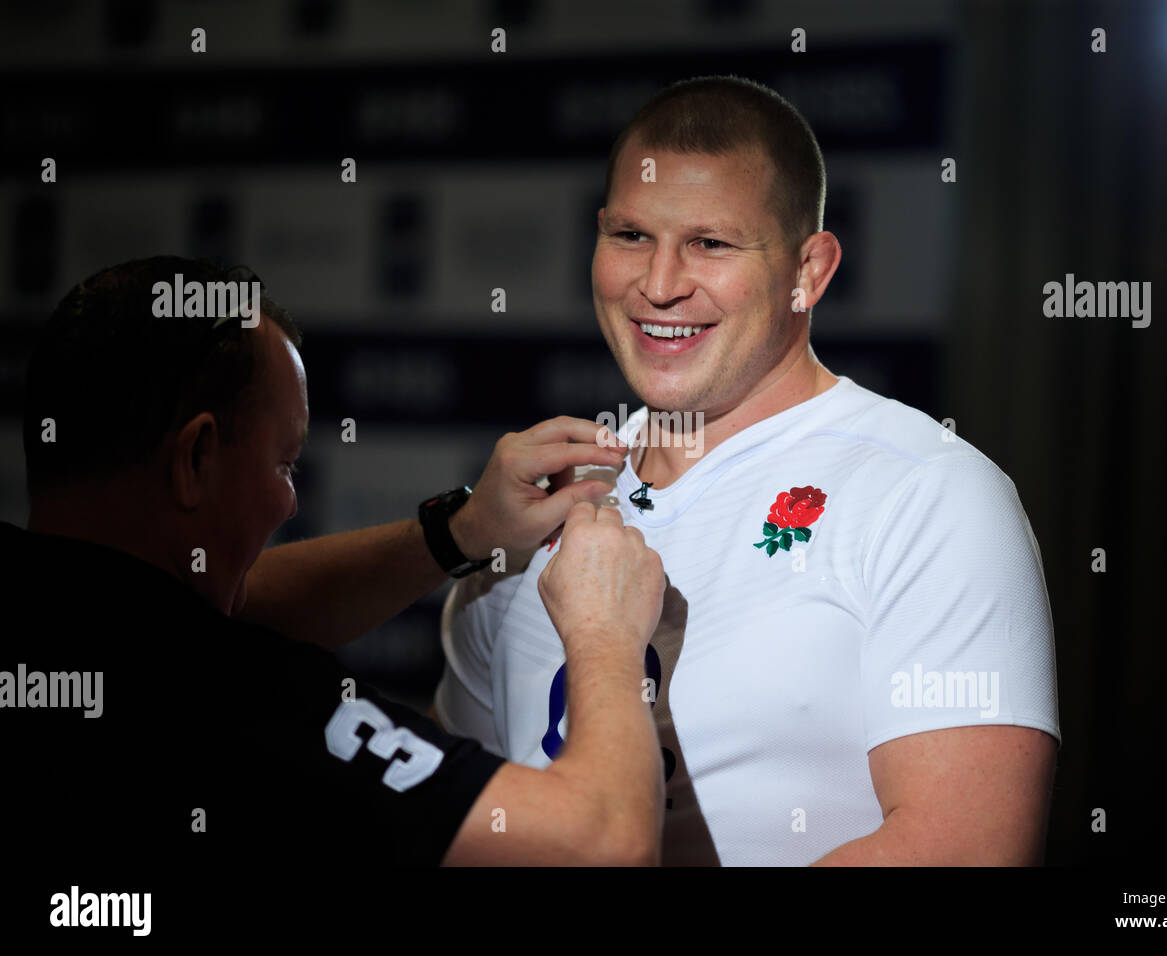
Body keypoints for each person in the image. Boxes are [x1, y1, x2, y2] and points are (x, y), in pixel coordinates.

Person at [434, 76, 1062, 865]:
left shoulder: (930, 494)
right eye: (632, 235)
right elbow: (479, 827)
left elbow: (965, 852)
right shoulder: (528, 517)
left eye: (712, 244)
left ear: (811, 270)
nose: (660, 285)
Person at [2, 256, 665, 868]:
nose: (291, 504)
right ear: (197, 456)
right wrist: (604, 631)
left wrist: (460, 530)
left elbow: (229, 607)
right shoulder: (243, 704)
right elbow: (601, 843)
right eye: (284, 464)